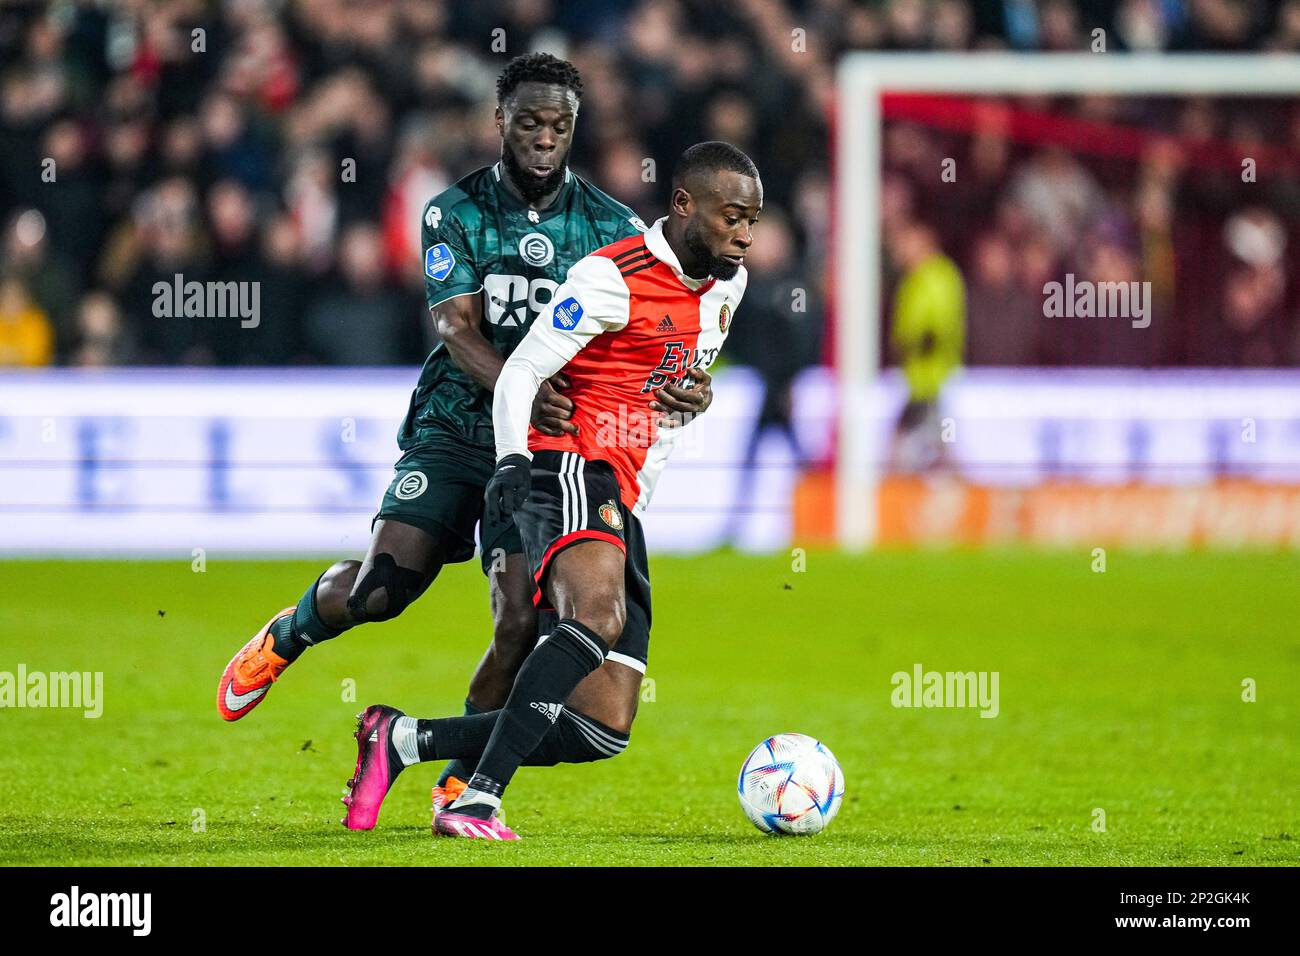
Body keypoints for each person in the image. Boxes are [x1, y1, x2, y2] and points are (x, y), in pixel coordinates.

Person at [215, 54, 714, 829]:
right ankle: (292, 630)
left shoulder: (612, 228)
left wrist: (688, 387)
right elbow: (454, 327)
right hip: (457, 426)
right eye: (530, 122)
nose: (545, 138)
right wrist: (521, 382)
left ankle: (458, 782)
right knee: (386, 586)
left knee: (519, 619)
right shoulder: (455, 211)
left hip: (552, 448)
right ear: (500, 122)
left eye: (560, 125)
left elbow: (649, 345)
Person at [339, 141, 762, 840]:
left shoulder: (727, 286)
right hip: (566, 463)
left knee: (602, 724)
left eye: (754, 221)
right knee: (593, 619)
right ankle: (478, 800)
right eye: (733, 218)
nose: (746, 235)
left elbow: (668, 386)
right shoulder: (610, 277)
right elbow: (520, 375)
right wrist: (510, 463)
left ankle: (402, 739)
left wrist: (696, 398)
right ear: (685, 205)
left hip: (621, 492)